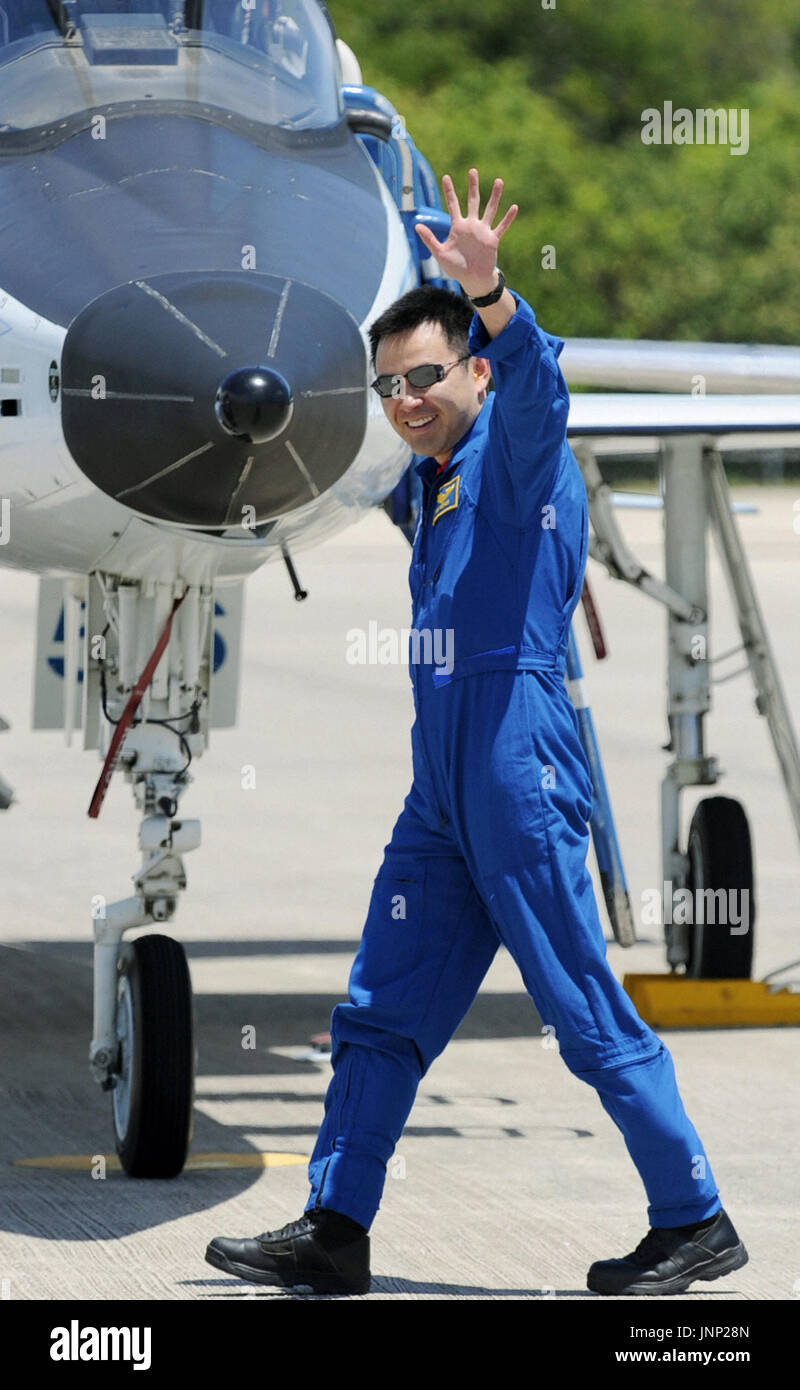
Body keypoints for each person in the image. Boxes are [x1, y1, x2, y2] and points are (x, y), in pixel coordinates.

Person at [205, 169, 748, 1298]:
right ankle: (335, 1225)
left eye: (424, 377)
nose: (403, 398)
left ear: (474, 369)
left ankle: (692, 1216)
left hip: (515, 757)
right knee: (378, 1008)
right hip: (443, 785)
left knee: (581, 1008)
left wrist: (489, 288)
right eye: (387, 384)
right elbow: (349, 472)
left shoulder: (513, 453)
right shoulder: (435, 479)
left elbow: (541, 381)